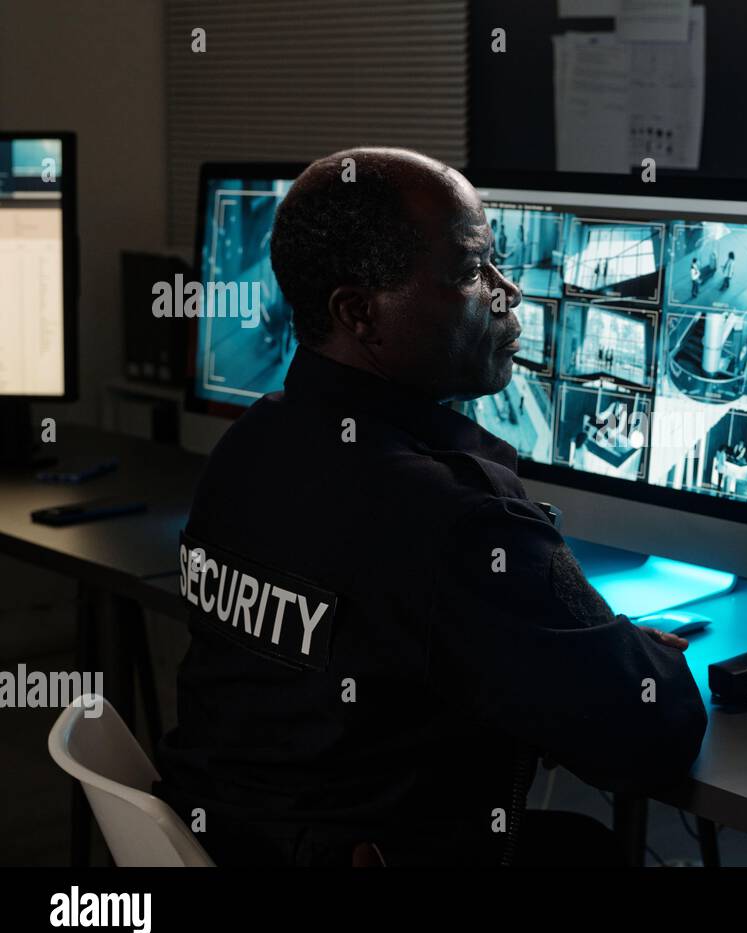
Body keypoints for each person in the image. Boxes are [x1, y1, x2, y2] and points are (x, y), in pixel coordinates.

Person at [155, 148, 706, 868]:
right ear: (359, 313)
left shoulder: (248, 446)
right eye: (471, 272)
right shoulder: (447, 517)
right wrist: (622, 649)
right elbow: (651, 731)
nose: (508, 294)